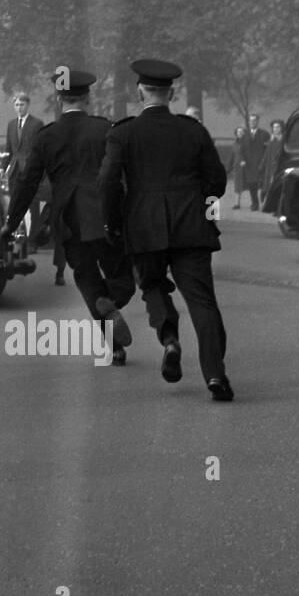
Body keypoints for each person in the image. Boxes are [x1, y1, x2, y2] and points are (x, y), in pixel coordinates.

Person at [98, 59, 233, 401]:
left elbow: (107, 182)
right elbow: (216, 181)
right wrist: (198, 201)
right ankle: (215, 375)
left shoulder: (123, 132)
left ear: (139, 91)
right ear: (171, 92)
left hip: (143, 226)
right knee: (202, 301)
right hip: (191, 225)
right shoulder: (193, 130)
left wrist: (113, 222)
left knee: (154, 286)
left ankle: (170, 339)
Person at [2, 69, 136, 363]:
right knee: (122, 276)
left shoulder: (46, 136)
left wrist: (11, 223)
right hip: (104, 214)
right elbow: (121, 173)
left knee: (86, 277)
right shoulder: (104, 129)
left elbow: (26, 184)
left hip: (67, 219)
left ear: (59, 99)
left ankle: (114, 346)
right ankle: (111, 302)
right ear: (87, 97)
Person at [5, 92, 46, 243]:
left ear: (27, 105)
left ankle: (33, 239)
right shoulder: (11, 125)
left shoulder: (36, 124)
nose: (19, 108)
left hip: (30, 169)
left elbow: (39, 147)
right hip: (15, 170)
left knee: (32, 205)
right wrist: (3, 168)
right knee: (15, 205)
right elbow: (9, 150)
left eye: (22, 104)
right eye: (16, 105)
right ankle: (15, 236)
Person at [260, 119, 287, 212]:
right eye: (274, 127)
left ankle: (278, 209)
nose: (276, 129)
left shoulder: (284, 140)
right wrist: (262, 165)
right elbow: (267, 154)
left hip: (280, 167)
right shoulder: (271, 140)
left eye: (278, 127)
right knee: (269, 186)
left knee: (278, 187)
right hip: (270, 167)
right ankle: (270, 206)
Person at [228, 125, 257, 210]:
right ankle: (237, 203)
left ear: (244, 133)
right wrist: (228, 168)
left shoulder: (249, 143)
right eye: (238, 132)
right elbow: (232, 156)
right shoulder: (235, 144)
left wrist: (247, 162)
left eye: (242, 132)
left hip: (248, 167)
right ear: (236, 134)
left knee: (251, 185)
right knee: (238, 186)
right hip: (238, 168)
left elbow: (253, 155)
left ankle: (253, 203)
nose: (240, 133)